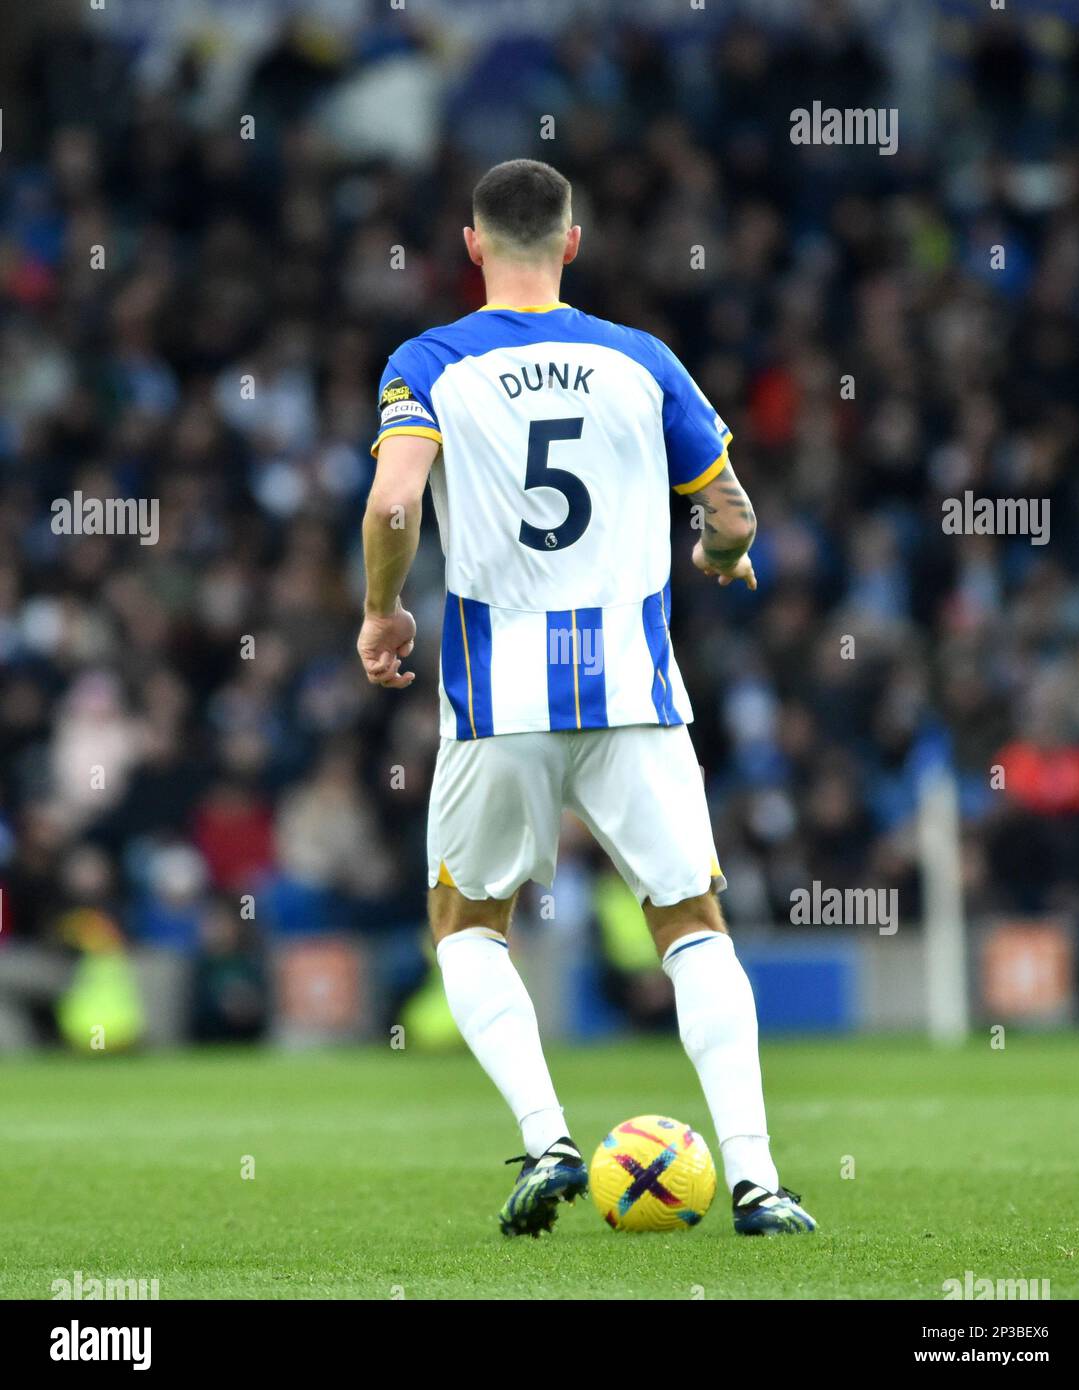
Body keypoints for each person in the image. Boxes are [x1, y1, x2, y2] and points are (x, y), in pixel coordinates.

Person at [358, 159, 816, 1237]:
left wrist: (382, 610)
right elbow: (736, 516)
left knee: (468, 927)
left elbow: (392, 500)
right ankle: (756, 1182)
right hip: (634, 695)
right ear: (573, 242)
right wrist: (716, 556)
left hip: (496, 698)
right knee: (691, 925)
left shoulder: (429, 361)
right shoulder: (639, 359)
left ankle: (549, 1137)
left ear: (472, 246)